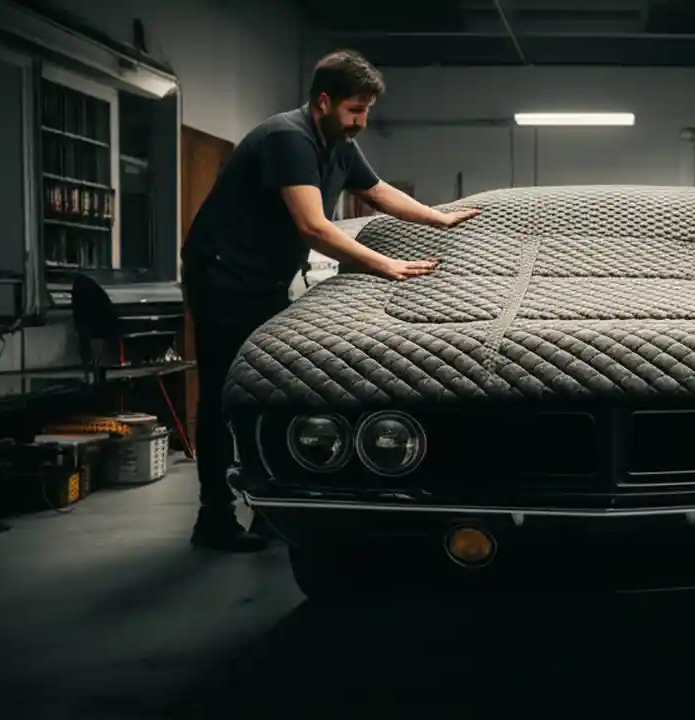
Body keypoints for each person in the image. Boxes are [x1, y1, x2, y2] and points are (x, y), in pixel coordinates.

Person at [180, 49, 479, 551]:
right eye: (354, 110)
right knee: (225, 397)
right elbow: (312, 226)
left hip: (265, 280)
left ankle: (271, 510)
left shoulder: (337, 141)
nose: (362, 121)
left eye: (366, 110)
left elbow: (379, 192)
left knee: (270, 391)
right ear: (323, 101)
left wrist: (437, 218)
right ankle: (214, 517)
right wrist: (386, 266)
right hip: (222, 280)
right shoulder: (288, 138)